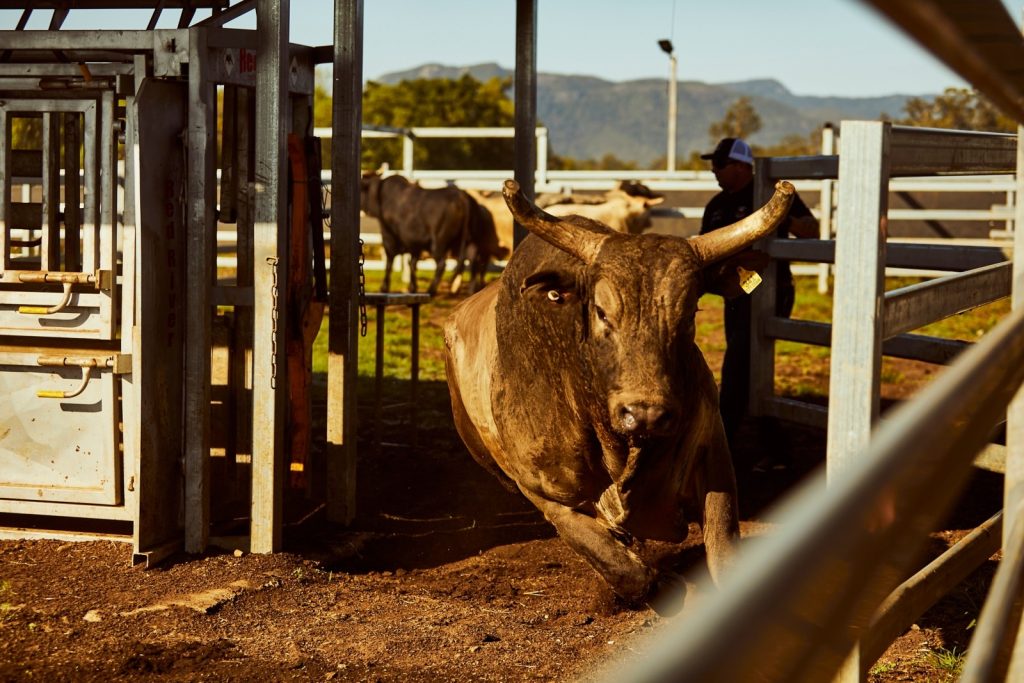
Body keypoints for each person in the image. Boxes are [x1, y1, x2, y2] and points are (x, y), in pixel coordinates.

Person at [699, 137, 818, 471]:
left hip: (771, 290)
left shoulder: (771, 196)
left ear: (741, 166)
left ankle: (717, 451)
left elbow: (812, 229)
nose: (714, 170)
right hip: (735, 292)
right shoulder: (717, 205)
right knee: (750, 365)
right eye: (714, 164)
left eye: (720, 164)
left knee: (739, 365)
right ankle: (776, 451)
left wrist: (781, 218)